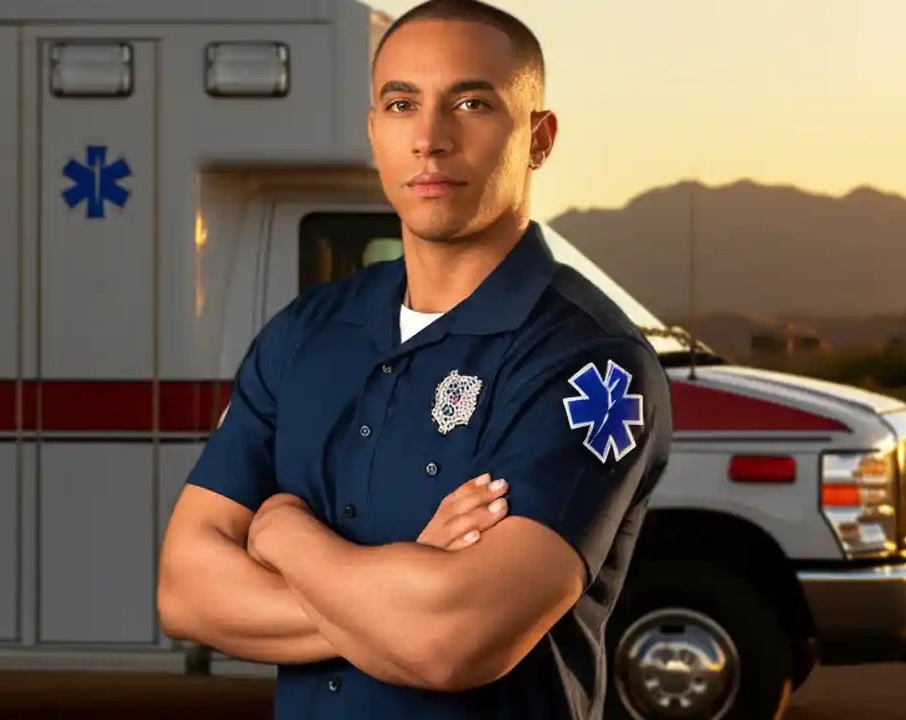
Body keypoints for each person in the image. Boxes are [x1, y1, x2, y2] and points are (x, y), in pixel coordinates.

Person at [156, 1, 673, 717]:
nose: (430, 139)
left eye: (471, 102)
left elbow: (452, 642)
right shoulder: (306, 334)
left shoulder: (591, 363)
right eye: (402, 104)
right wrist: (397, 591)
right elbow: (185, 590)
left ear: (539, 137)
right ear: (374, 133)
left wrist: (283, 532)